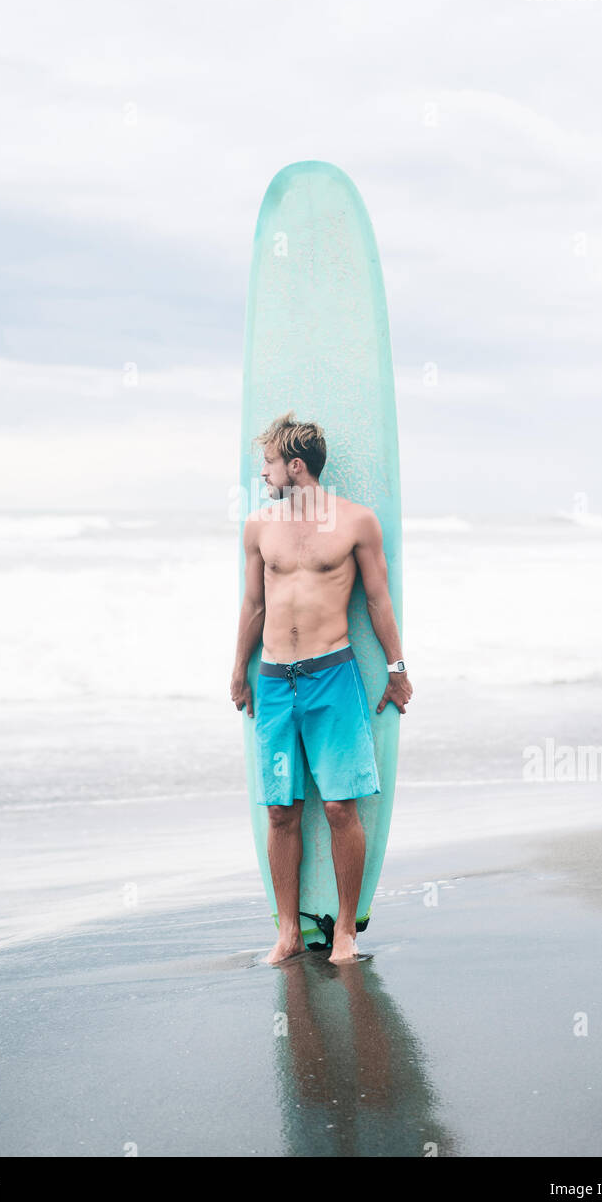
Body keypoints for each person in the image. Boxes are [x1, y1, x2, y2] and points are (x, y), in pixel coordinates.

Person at [230, 412, 412, 964]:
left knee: (338, 807)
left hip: (332, 676)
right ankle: (287, 932)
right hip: (275, 680)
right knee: (281, 810)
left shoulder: (357, 523)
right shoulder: (259, 526)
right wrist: (238, 668)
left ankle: (346, 935)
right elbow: (254, 604)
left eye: (266, 464)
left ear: (296, 465)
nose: (261, 474)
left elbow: (378, 600)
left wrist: (398, 668)